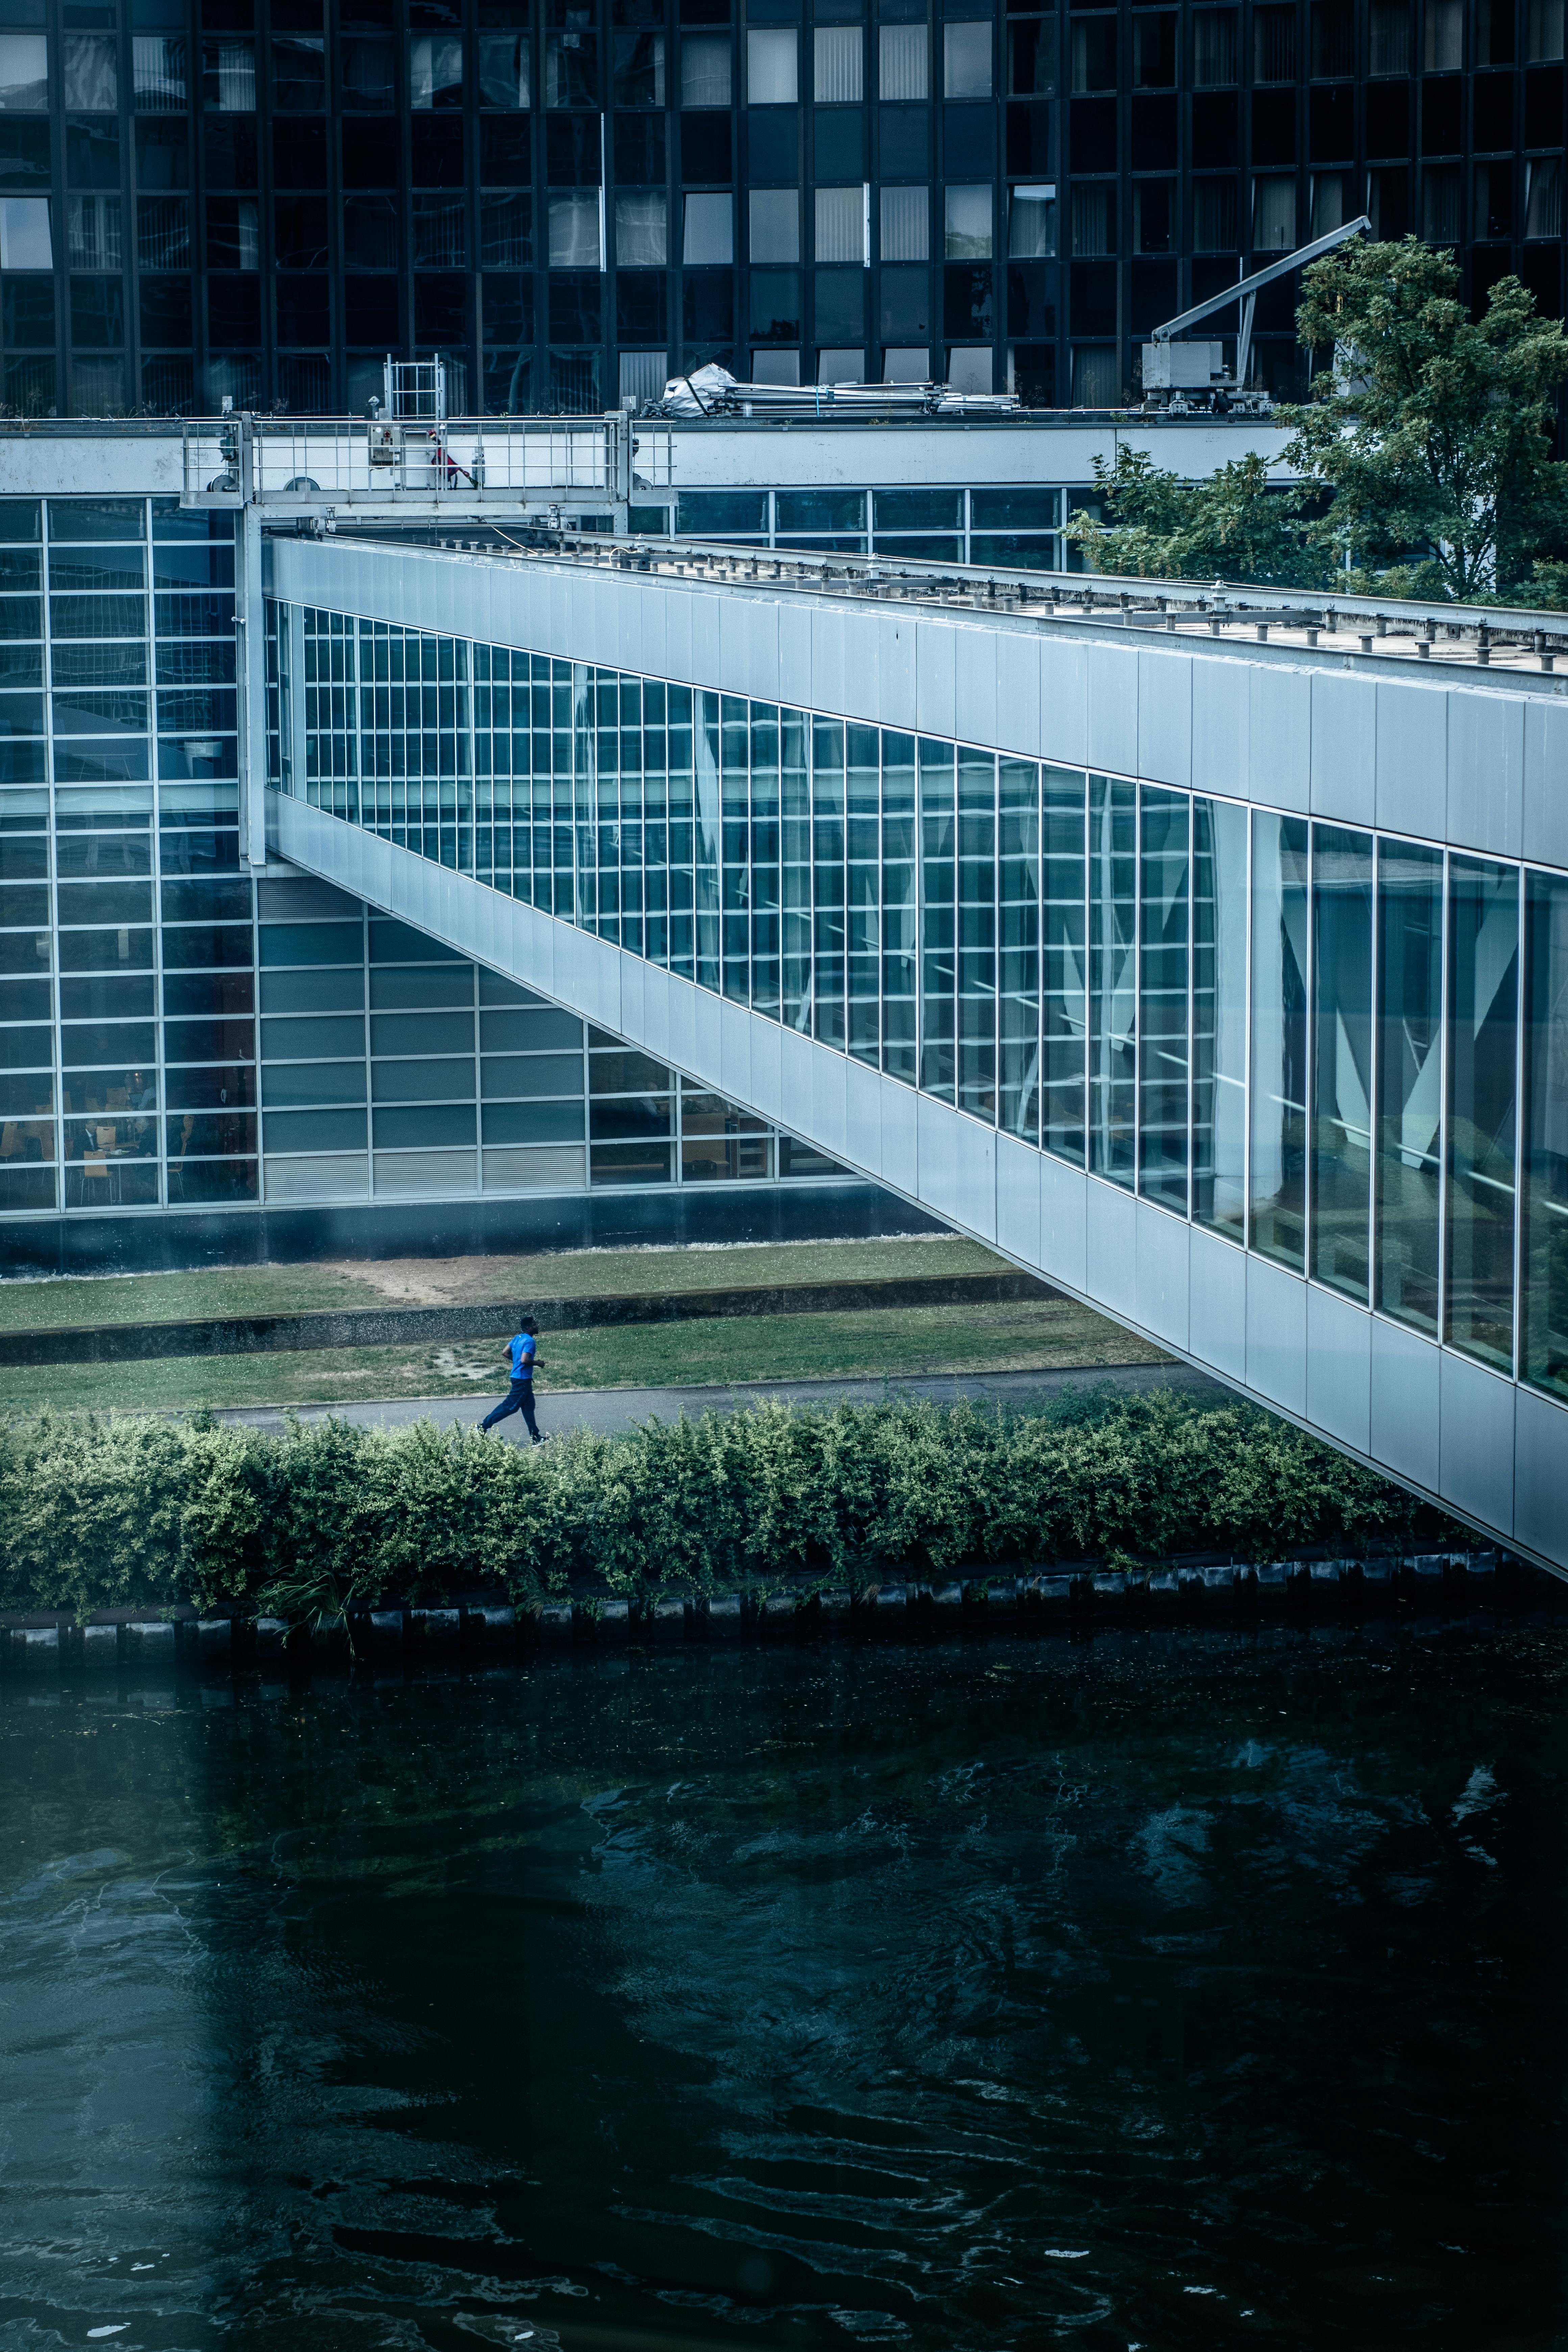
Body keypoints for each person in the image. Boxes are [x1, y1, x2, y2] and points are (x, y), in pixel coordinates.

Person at [481, 1316, 543, 1441]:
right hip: (522, 1380)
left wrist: (516, 1362)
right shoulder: (530, 1341)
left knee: (529, 1407)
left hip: (518, 1377)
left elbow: (505, 1352)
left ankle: (536, 1438)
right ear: (529, 1328)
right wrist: (538, 1363)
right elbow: (525, 1360)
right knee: (511, 1407)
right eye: (535, 1324)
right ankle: (482, 1427)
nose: (537, 1326)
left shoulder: (517, 1338)